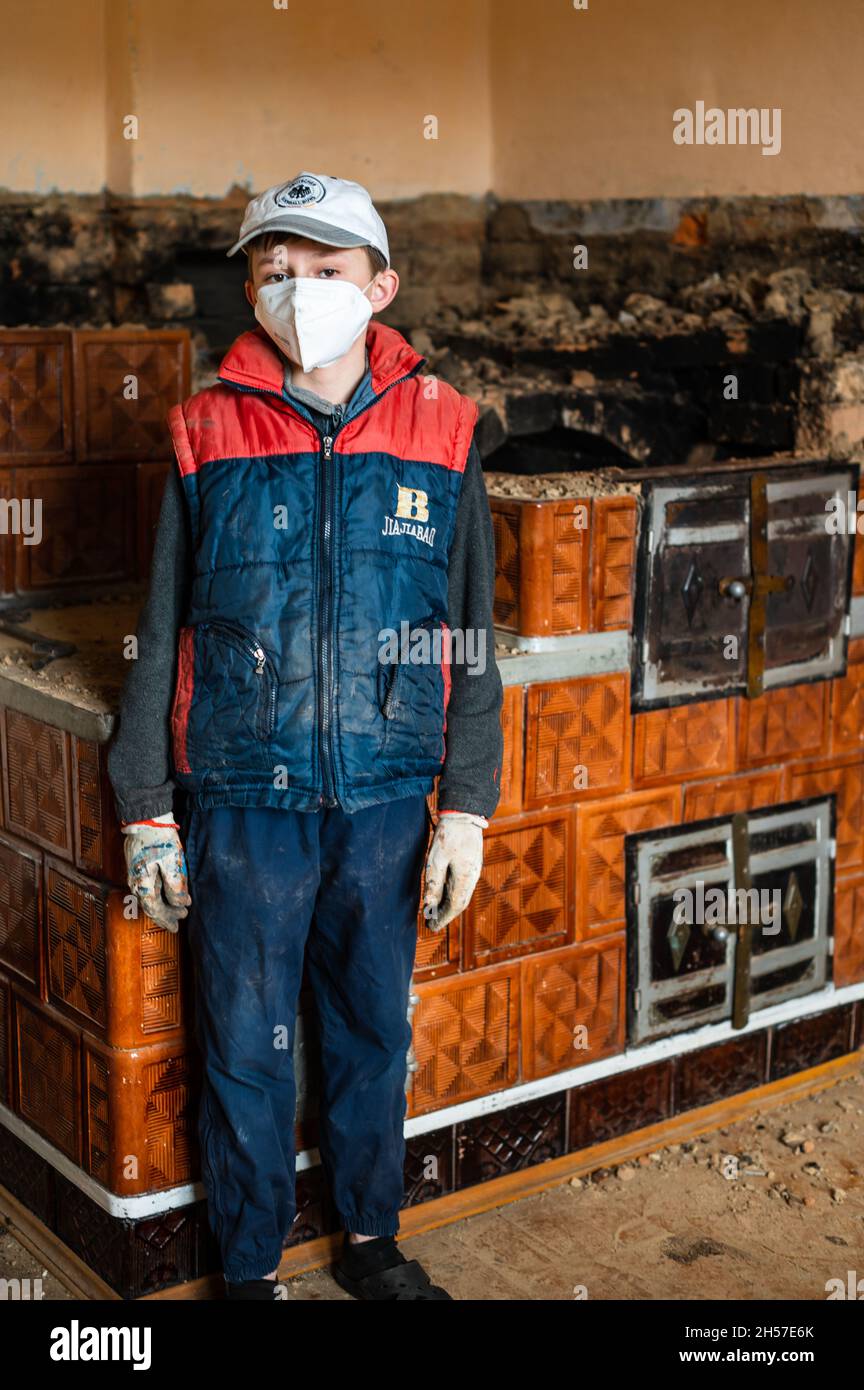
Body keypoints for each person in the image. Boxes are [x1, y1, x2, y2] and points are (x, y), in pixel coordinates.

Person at [108, 172, 503, 1301]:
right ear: (249, 285)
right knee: (241, 1048)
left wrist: (466, 804)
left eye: (325, 269)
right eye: (274, 269)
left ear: (381, 286)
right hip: (240, 793)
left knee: (373, 1027)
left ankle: (371, 1242)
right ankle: (247, 1271)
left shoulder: (445, 427)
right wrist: (146, 807)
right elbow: (158, 629)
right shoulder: (202, 428)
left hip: (384, 792)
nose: (297, 289)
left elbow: (470, 627)